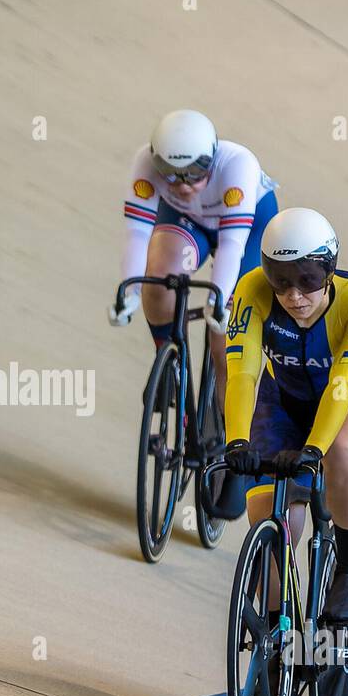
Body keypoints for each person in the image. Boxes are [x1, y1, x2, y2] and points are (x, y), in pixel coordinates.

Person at [221, 208, 348, 626]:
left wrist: (313, 450)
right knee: (268, 514)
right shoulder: (252, 291)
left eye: (308, 280)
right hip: (283, 400)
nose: (294, 295)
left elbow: (343, 382)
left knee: (341, 451)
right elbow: (243, 374)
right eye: (280, 280)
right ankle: (277, 632)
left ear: (330, 270)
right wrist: (237, 442)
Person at [108, 109, 280, 515]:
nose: (183, 185)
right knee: (159, 276)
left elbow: (234, 246)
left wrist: (221, 299)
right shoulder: (144, 164)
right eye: (171, 174)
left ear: (213, 157)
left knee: (228, 341)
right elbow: (137, 233)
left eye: (195, 172)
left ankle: (236, 441)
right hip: (189, 224)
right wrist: (127, 292)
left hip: (246, 226)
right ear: (156, 162)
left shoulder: (238, 165)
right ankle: (169, 358)